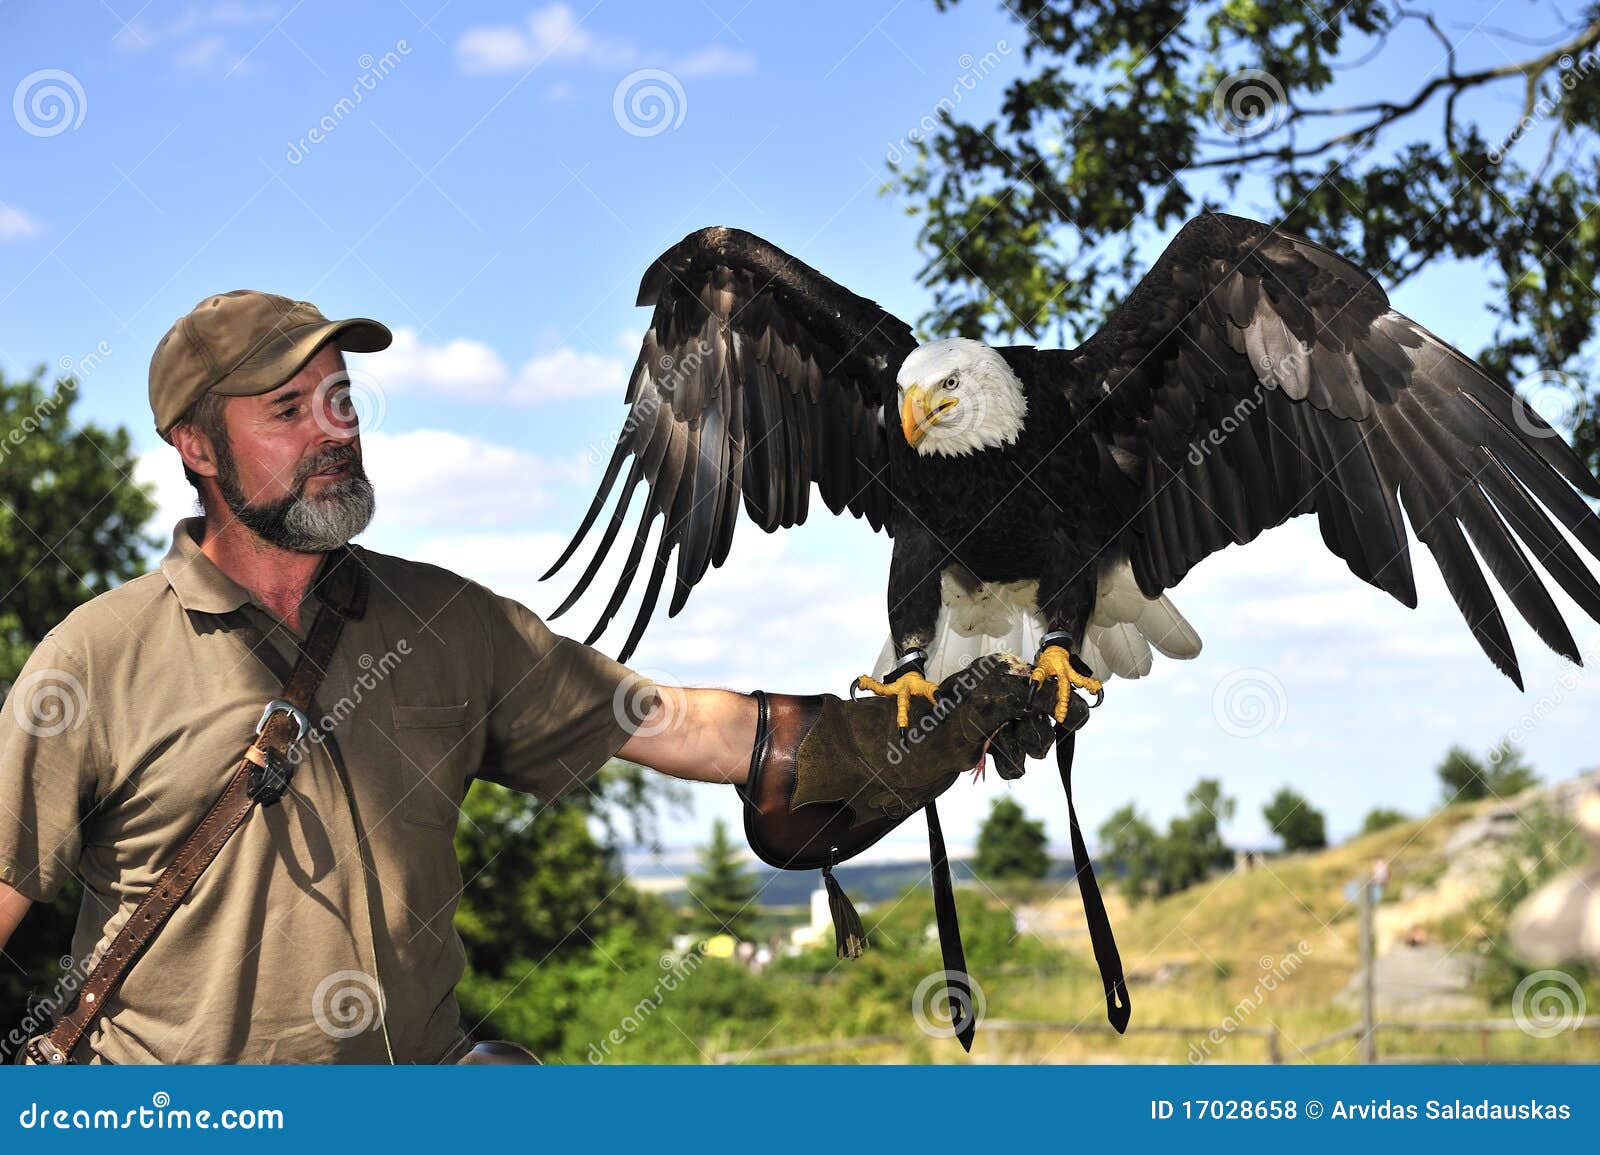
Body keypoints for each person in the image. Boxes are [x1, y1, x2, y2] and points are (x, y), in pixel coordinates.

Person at [0, 291, 1040, 1064]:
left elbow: (666, 720)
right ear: (196, 448)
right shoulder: (95, 660)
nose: (335, 432)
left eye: (341, 400)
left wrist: (867, 735)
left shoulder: (445, 622)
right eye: (288, 412)